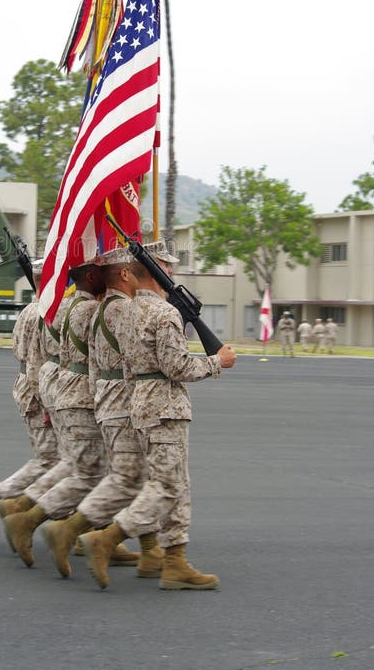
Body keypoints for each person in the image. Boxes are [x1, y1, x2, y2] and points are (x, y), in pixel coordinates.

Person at [80, 251, 237, 591]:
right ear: (156, 271)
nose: (170, 270)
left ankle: (174, 561)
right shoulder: (163, 313)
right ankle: (107, 539)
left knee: (173, 482)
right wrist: (216, 362)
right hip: (164, 406)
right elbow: (176, 366)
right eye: (167, 267)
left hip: (138, 404)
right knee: (167, 485)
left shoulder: (127, 310)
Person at [4, 260, 138, 569]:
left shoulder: (61, 307)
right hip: (81, 396)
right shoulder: (89, 310)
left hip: (59, 388)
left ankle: (78, 529)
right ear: (91, 276)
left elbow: (46, 356)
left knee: (84, 468)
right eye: (104, 274)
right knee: (88, 472)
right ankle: (32, 517)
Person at [43, 246, 163, 580]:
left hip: (102, 398)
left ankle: (149, 549)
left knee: (129, 475)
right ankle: (57, 524)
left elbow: (93, 364)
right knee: (128, 477)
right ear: (126, 273)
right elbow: (145, 360)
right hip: (123, 401)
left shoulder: (96, 308)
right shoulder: (122, 310)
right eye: (159, 267)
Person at [0, 259, 62, 542]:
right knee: (51, 460)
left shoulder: (28, 310)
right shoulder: (43, 313)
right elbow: (37, 362)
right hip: (38, 391)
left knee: (58, 460)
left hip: (28, 388)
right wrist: (47, 403)